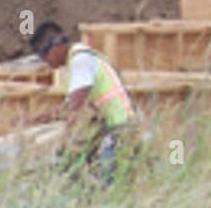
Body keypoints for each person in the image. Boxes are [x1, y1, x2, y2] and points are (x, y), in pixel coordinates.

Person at [30, 21, 138, 185]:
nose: (46, 61)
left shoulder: (81, 60)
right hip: (113, 129)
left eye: (45, 54)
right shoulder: (76, 63)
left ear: (57, 45)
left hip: (119, 128)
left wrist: (62, 138)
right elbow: (68, 108)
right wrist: (36, 120)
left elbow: (74, 107)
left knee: (107, 185)